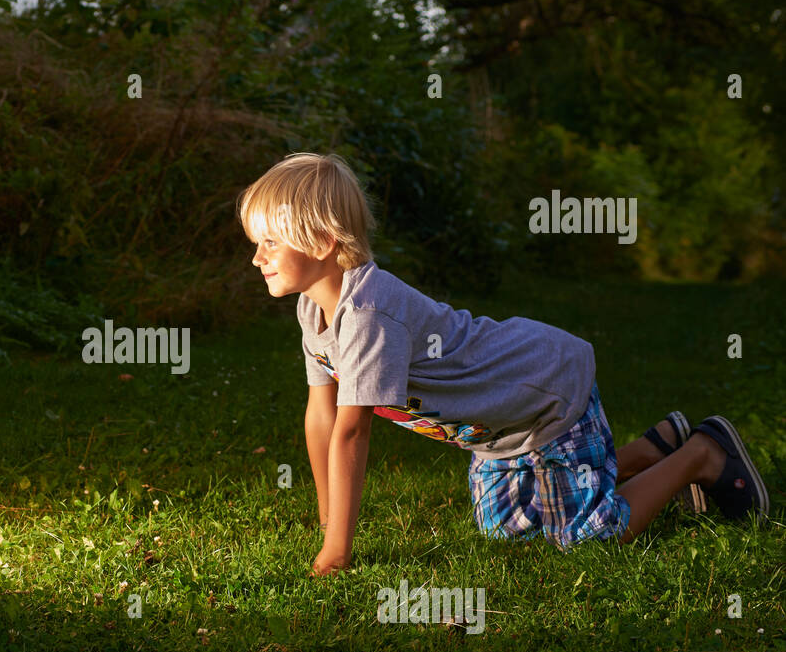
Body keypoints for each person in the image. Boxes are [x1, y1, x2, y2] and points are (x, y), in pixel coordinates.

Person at [237, 152, 770, 577]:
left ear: (326, 243)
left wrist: (336, 551)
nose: (257, 256)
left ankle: (700, 454)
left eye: (270, 242)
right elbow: (321, 417)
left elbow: (351, 434)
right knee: (505, 529)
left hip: (544, 395)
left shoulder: (369, 315)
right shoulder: (314, 310)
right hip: (500, 432)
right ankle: (656, 447)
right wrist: (330, 520)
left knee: (586, 536)